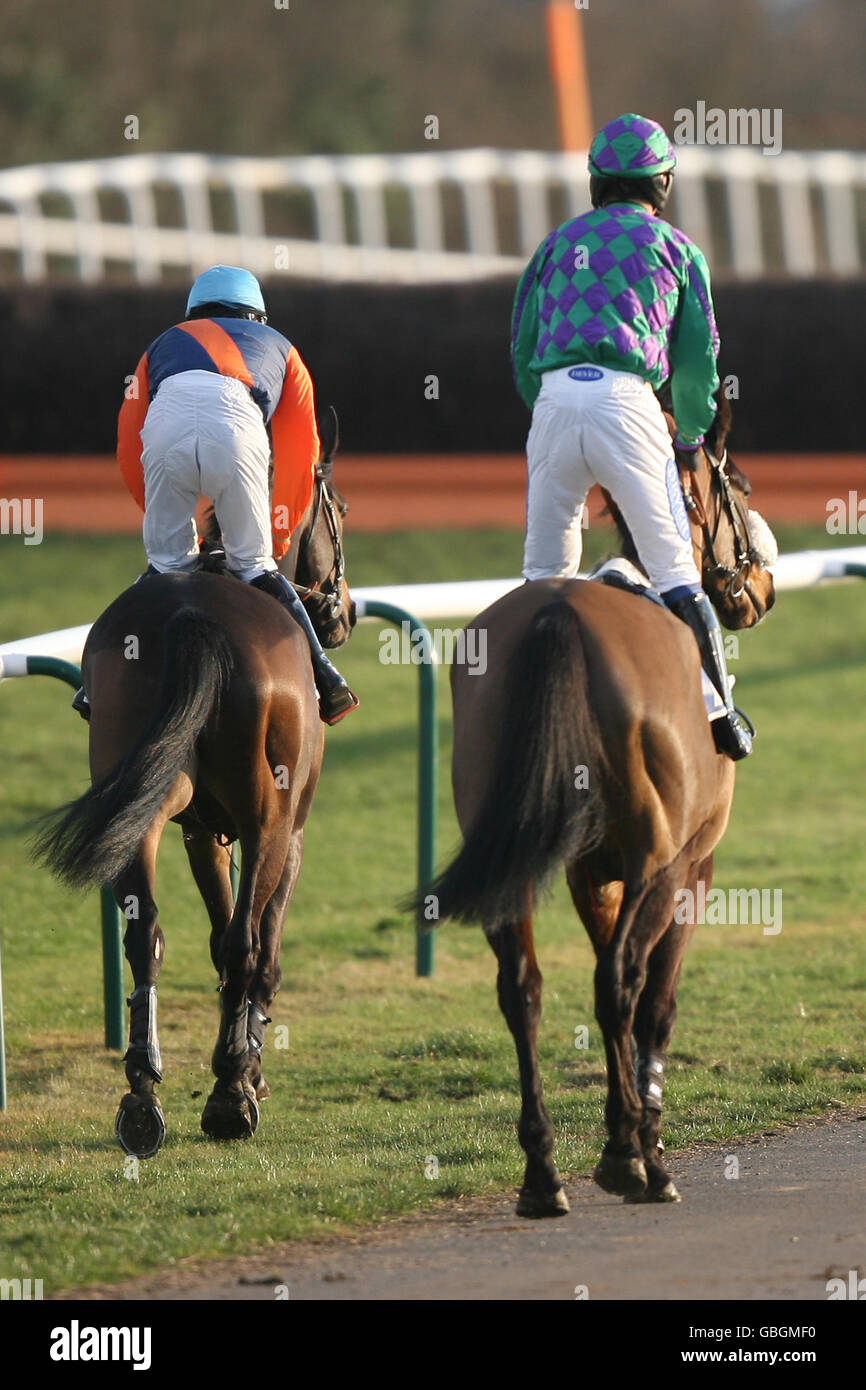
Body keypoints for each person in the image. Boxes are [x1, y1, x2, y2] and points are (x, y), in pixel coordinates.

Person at [510, 113, 752, 760]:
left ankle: (521, 718)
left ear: (596, 181)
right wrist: (693, 434)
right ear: (663, 183)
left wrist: (550, 408)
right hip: (629, 405)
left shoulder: (557, 244)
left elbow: (523, 343)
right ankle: (722, 712)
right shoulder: (677, 248)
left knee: (544, 579)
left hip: (555, 403)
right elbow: (701, 356)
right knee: (676, 570)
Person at [76, 265, 358, 725]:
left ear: (192, 314)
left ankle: (91, 687)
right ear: (257, 317)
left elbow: (128, 442)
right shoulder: (284, 350)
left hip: (162, 435)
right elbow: (301, 454)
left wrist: (163, 517)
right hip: (237, 431)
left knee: (167, 567)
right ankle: (326, 677)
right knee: (254, 565)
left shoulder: (159, 346)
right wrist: (280, 534)